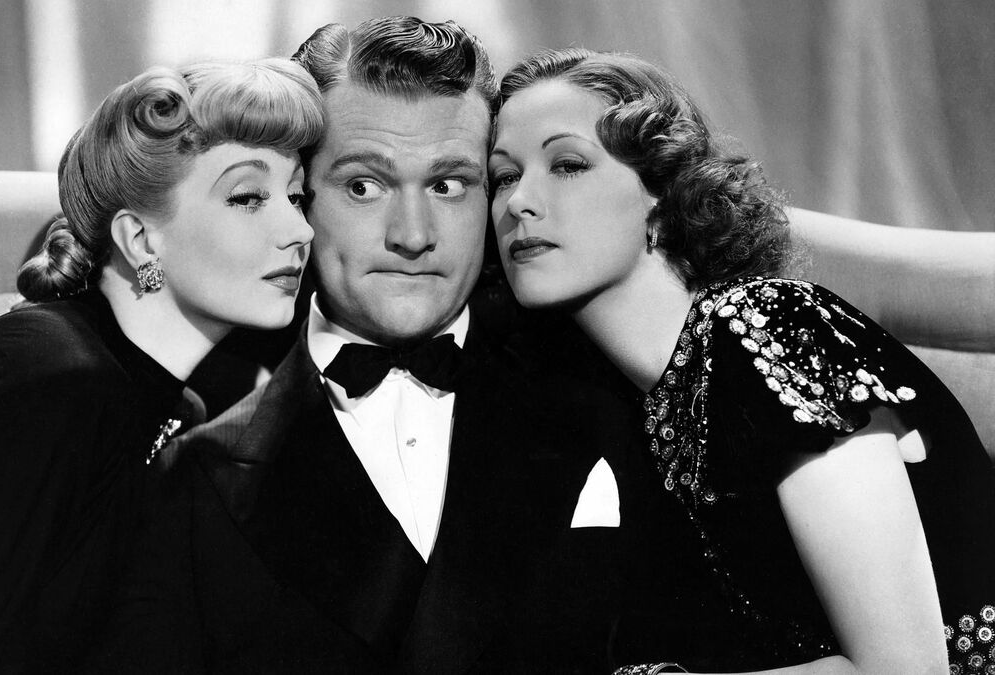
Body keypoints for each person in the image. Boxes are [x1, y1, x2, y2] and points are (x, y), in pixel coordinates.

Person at [94, 17, 637, 673]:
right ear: (300, 197)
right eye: (363, 186)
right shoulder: (188, 476)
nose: (412, 235)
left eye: (447, 184)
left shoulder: (610, 387)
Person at [0, 58, 321, 673]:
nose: (299, 230)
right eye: (248, 198)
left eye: (296, 196)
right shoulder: (56, 385)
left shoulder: (154, 396)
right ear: (140, 239)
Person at [488, 47, 995, 674]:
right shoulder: (627, 407)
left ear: (659, 193)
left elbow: (904, 670)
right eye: (503, 177)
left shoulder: (767, 325)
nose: (519, 202)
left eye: (567, 165)